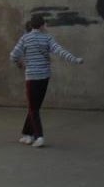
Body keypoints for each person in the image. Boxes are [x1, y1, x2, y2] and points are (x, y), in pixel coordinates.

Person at [9, 14, 84, 147]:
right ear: (43, 25)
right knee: (35, 107)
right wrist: (75, 60)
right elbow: (60, 51)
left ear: (31, 25)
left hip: (32, 77)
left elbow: (13, 55)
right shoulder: (47, 38)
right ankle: (27, 134)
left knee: (33, 108)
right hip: (44, 77)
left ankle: (39, 137)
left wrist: (20, 64)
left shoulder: (25, 38)